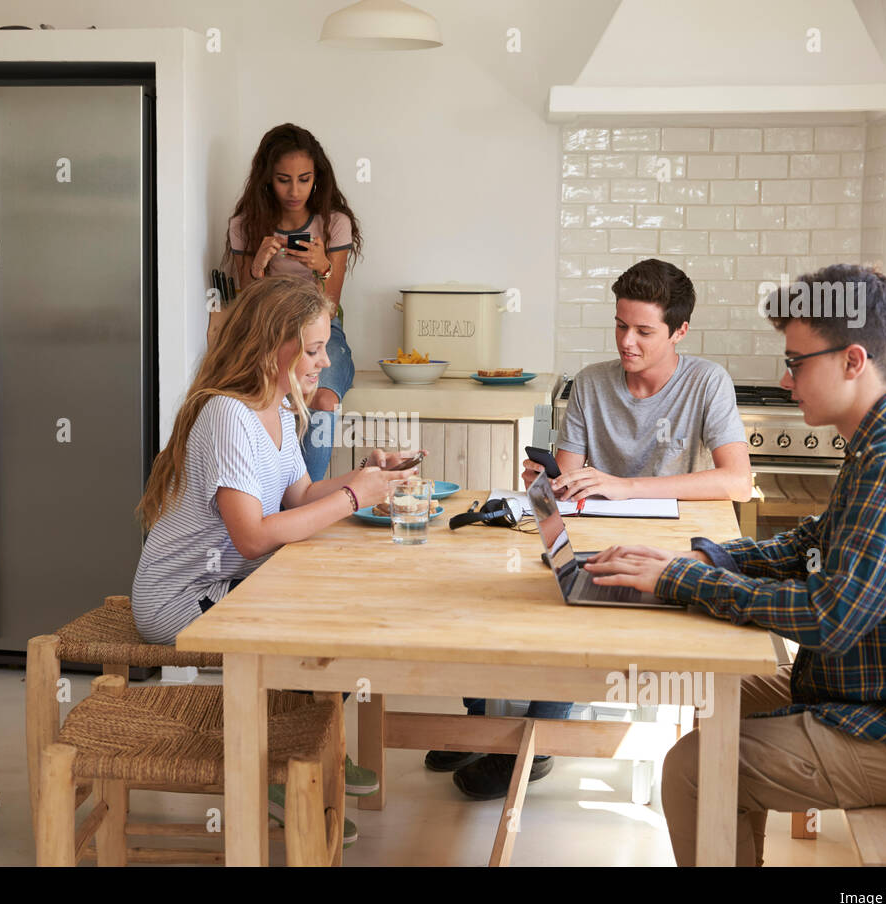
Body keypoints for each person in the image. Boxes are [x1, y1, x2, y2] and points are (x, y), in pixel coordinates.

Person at [585, 264, 886, 865]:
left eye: (796, 362)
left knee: (692, 769)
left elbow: (829, 616)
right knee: (716, 689)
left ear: (853, 360)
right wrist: (695, 556)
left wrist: (682, 580)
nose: (787, 383)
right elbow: (805, 546)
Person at [427, 258, 753, 800]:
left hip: (661, 546)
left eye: (644, 331)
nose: (628, 342)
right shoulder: (594, 383)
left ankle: (529, 747)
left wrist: (626, 486)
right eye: (621, 325)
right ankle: (481, 726)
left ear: (680, 331)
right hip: (589, 533)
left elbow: (737, 481)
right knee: (486, 592)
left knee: (575, 600)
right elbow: (569, 475)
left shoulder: (706, 383)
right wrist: (549, 481)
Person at [131, 276, 416, 845]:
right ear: (270, 347)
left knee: (333, 596)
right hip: (180, 600)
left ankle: (300, 750)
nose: (324, 361)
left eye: (325, 346)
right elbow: (253, 538)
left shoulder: (280, 412)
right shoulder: (227, 416)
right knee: (313, 613)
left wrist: (364, 475)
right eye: (312, 349)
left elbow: (300, 497)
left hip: (228, 581)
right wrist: (355, 499)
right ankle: (277, 765)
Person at [225, 123, 362, 482]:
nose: (294, 190)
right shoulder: (245, 226)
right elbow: (248, 309)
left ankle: (305, 501)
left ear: (317, 178)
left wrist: (322, 268)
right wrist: (257, 267)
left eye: (304, 179)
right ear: (267, 179)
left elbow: (329, 306)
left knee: (323, 401)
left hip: (322, 331)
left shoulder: (334, 224)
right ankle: (274, 504)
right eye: (284, 179)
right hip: (269, 333)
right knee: (270, 401)